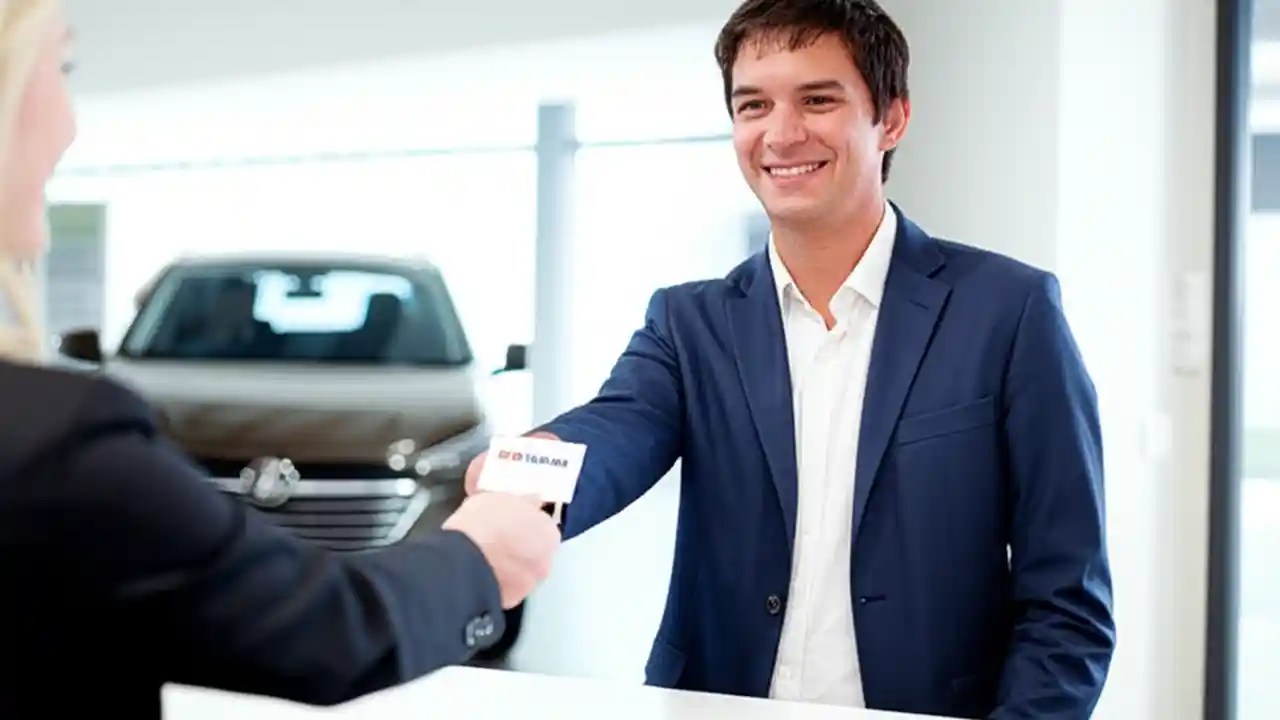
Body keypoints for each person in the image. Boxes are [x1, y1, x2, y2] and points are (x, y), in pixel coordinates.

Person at [466, 0, 1115, 717]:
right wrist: (516, 477)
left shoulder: (1008, 311)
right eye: (754, 105)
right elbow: (615, 431)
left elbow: (1068, 602)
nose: (781, 133)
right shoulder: (690, 322)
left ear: (891, 119)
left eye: (817, 99)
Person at [0, 1, 560, 716]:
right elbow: (331, 630)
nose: (70, 123)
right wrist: (480, 555)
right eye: (62, 68)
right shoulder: (60, 436)